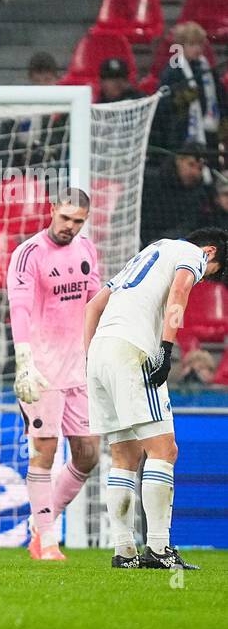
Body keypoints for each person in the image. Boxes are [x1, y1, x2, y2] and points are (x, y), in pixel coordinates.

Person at [84, 226, 228, 570]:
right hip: (133, 351)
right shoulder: (192, 255)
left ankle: (124, 553)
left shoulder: (150, 252)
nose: (205, 280)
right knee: (164, 450)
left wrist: (87, 359)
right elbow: (179, 290)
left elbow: (92, 306)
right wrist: (166, 348)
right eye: (213, 273)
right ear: (209, 252)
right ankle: (160, 550)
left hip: (100, 352)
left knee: (124, 455)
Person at [6, 188, 101, 561]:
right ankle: (46, 541)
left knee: (88, 453)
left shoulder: (87, 250)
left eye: (78, 221)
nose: (70, 227)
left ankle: (44, 518)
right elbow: (20, 309)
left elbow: (94, 302)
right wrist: (23, 362)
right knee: (44, 450)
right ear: (51, 211)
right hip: (41, 371)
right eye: (65, 218)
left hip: (79, 368)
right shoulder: (29, 253)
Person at [152, 22, 226, 160]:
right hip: (182, 134)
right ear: (181, 46)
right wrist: (182, 99)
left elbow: (220, 98)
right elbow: (163, 104)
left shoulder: (208, 70)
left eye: (200, 44)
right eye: (192, 44)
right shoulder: (173, 72)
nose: (197, 49)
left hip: (209, 132)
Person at [140, 142, 213, 246]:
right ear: (178, 161)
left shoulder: (200, 195)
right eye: (191, 165)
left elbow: (189, 225)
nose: (194, 172)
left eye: (200, 168)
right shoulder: (152, 181)